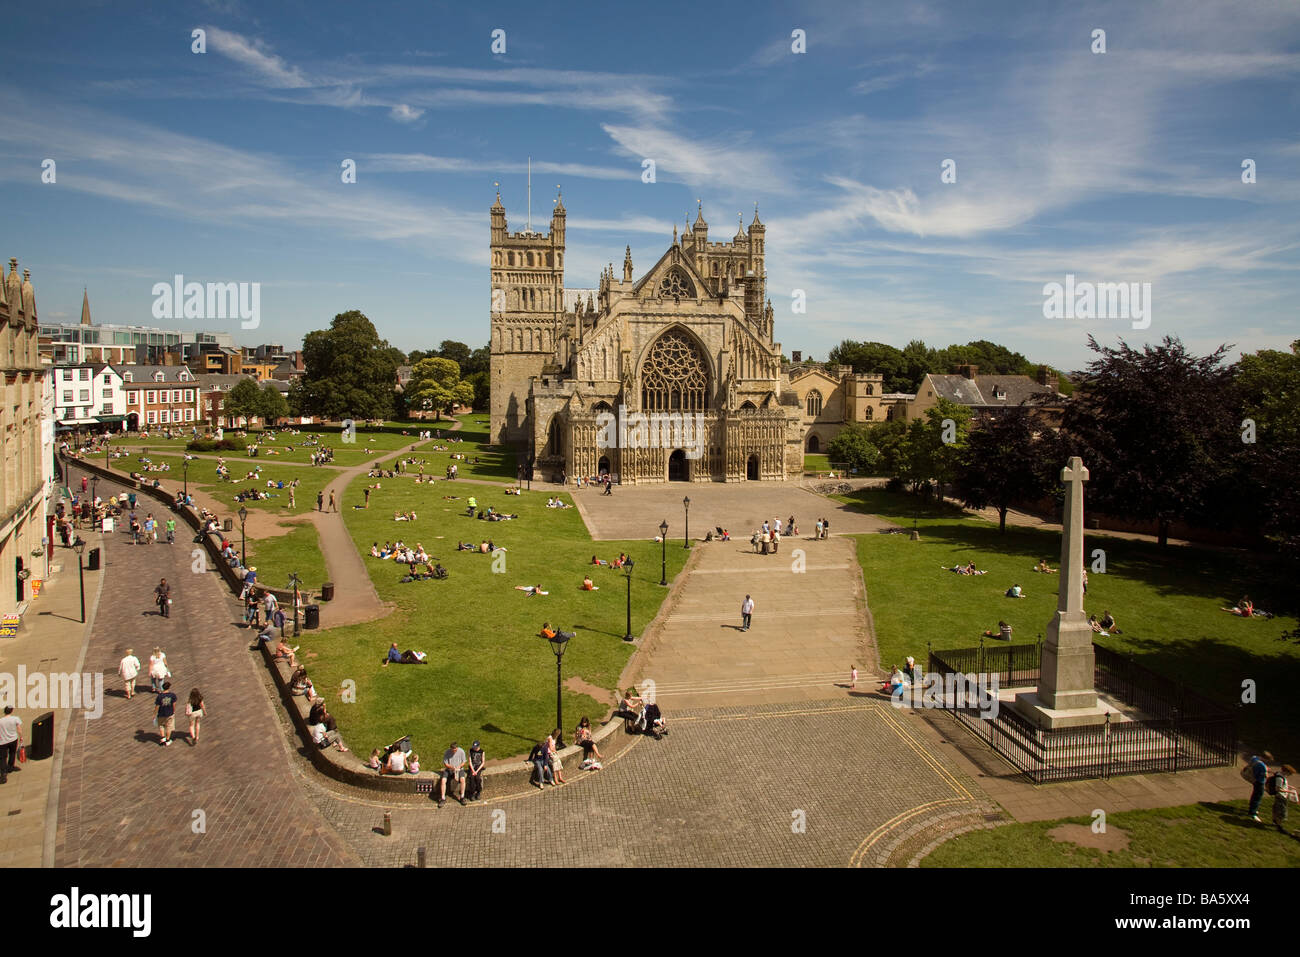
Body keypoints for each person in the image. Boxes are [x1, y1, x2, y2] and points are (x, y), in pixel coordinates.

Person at [438, 741, 468, 807]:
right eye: (453, 750)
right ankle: (443, 798)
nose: (454, 751)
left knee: (463, 779)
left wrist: (459, 767)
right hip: (449, 769)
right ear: (451, 749)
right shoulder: (447, 752)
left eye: (456, 750)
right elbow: (445, 763)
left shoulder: (461, 751)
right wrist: (452, 767)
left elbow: (464, 761)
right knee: (443, 780)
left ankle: (462, 796)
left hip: (459, 769)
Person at [0, 706, 23, 783]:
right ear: (11, 711)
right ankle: (10, 767)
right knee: (12, 753)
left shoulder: (1, 721)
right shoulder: (15, 718)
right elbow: (19, 729)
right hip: (13, 739)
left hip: (2, 742)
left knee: (3, 758)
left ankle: (3, 775)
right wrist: (21, 737)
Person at [1271, 764, 1296, 832]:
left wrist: (1289, 786)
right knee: (1282, 812)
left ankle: (1275, 821)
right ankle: (1279, 826)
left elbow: (1283, 785)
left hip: (1279, 796)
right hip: (1281, 796)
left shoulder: (1280, 776)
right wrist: (1289, 791)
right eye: (1290, 773)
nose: (1289, 775)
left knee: (1276, 808)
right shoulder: (1280, 778)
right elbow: (1278, 789)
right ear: (1286, 772)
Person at [1247, 753, 1270, 821]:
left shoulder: (1254, 758)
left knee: (1254, 795)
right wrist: (1267, 771)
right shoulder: (1262, 766)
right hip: (1260, 781)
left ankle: (1251, 808)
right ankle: (1253, 812)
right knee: (1257, 797)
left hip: (1254, 779)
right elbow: (1265, 776)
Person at [155, 681, 179, 746]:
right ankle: (168, 740)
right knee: (169, 726)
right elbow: (174, 704)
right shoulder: (172, 695)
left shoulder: (160, 696)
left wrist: (155, 713)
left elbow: (157, 706)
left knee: (161, 725)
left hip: (161, 713)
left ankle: (163, 737)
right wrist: (173, 710)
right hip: (170, 713)